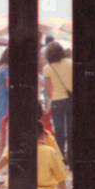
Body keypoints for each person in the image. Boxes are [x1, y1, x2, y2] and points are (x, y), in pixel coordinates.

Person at [42, 40, 74, 168]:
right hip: (71, 100)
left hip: (57, 101)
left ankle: (60, 161)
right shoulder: (71, 63)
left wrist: (49, 101)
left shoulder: (47, 68)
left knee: (59, 132)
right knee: (72, 131)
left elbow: (49, 91)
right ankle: (72, 160)